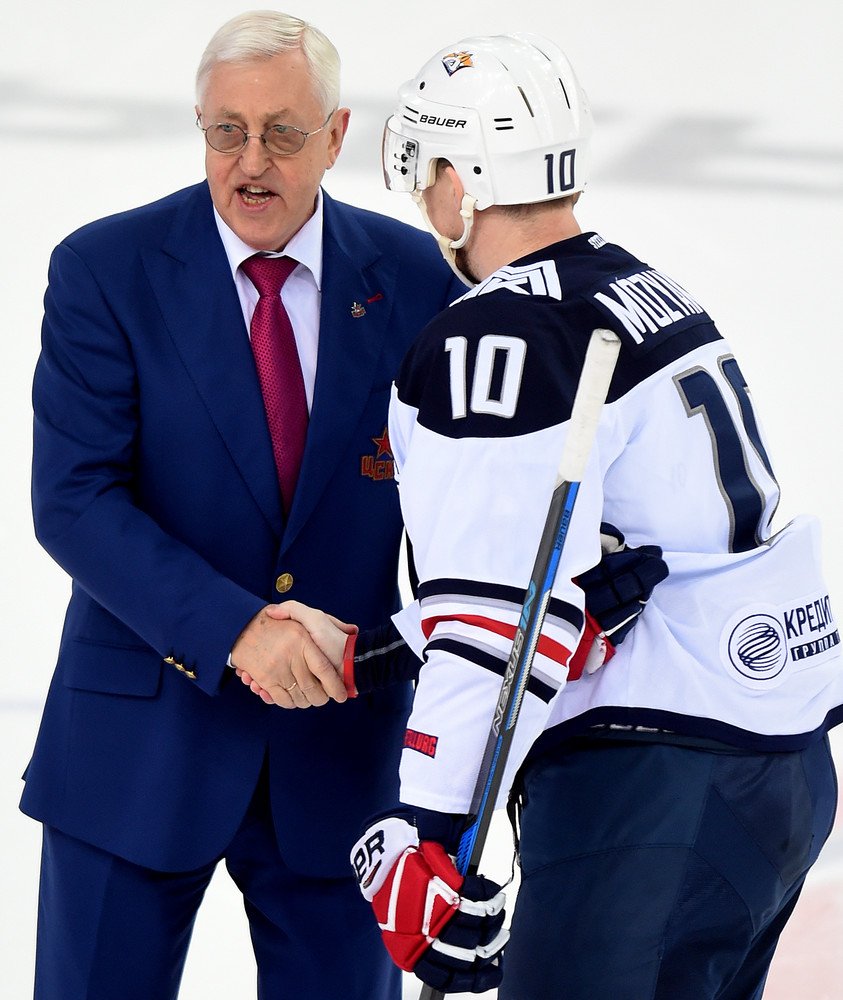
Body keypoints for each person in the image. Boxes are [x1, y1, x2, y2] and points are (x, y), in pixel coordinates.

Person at [336, 32, 842, 999]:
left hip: (651, 784)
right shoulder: (640, 287)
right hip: (777, 770)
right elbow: (604, 566)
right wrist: (389, 645)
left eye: (427, 170)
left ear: (460, 177)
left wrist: (427, 834)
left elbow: (498, 617)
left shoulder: (494, 335)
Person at [21, 10, 467, 1000]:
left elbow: (465, 513)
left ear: (339, 136)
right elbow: (74, 497)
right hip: (136, 753)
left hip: (344, 765)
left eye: (282, 132)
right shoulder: (105, 271)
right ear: (200, 126)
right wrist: (236, 629)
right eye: (227, 130)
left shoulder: (417, 283)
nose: (250, 161)